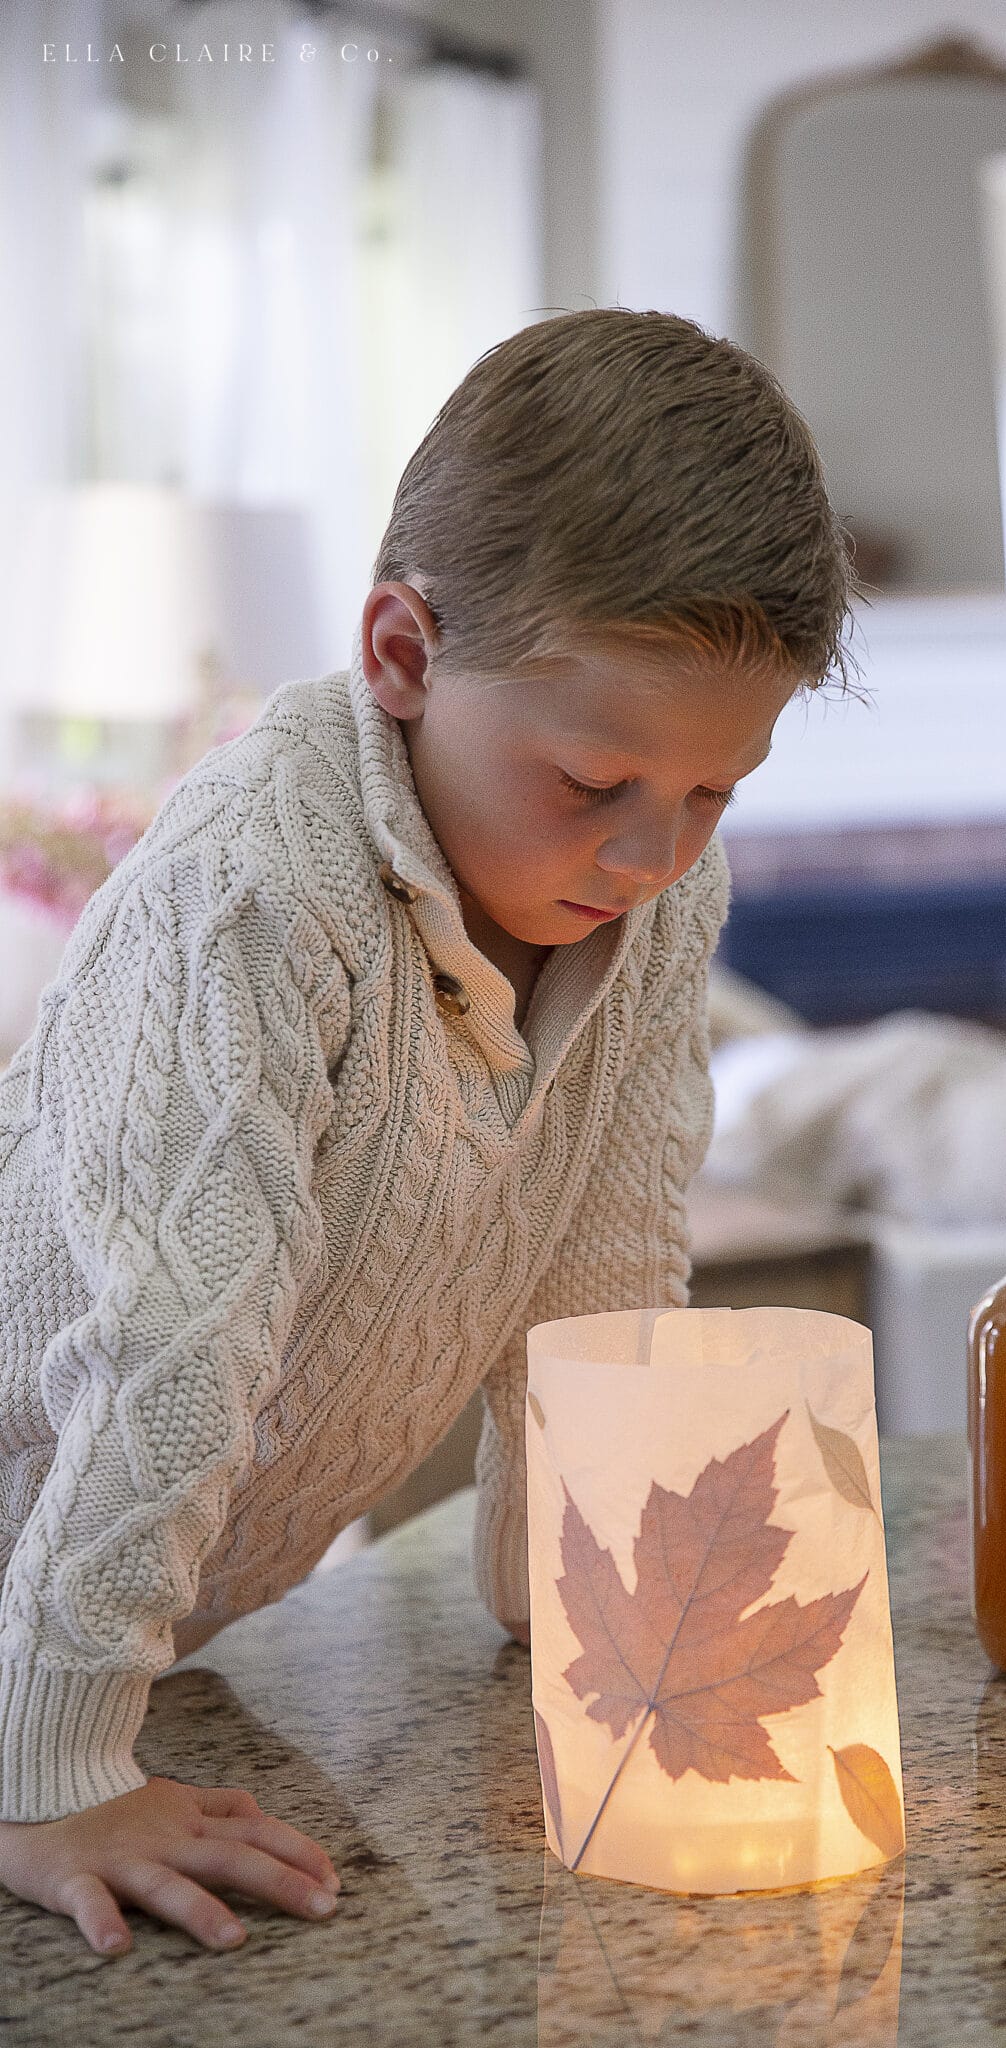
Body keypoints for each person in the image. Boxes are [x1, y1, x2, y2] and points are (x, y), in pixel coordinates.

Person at [0, 307, 859, 1957]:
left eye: (712, 792)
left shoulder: (654, 901)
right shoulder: (257, 888)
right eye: (593, 777)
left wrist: (583, 1614)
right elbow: (174, 1343)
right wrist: (50, 1765)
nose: (652, 852)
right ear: (400, 653)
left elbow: (603, 1271)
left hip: (128, 1645)